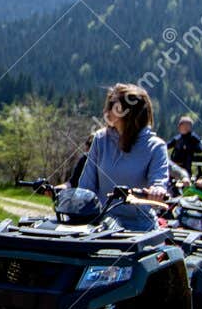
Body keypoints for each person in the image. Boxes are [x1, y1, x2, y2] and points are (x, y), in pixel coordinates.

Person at [72, 83, 170, 231]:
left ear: (129, 113)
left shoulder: (156, 146)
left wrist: (157, 191)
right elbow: (86, 186)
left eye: (113, 106)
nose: (107, 110)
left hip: (139, 228)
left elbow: (158, 181)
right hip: (102, 225)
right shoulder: (100, 139)